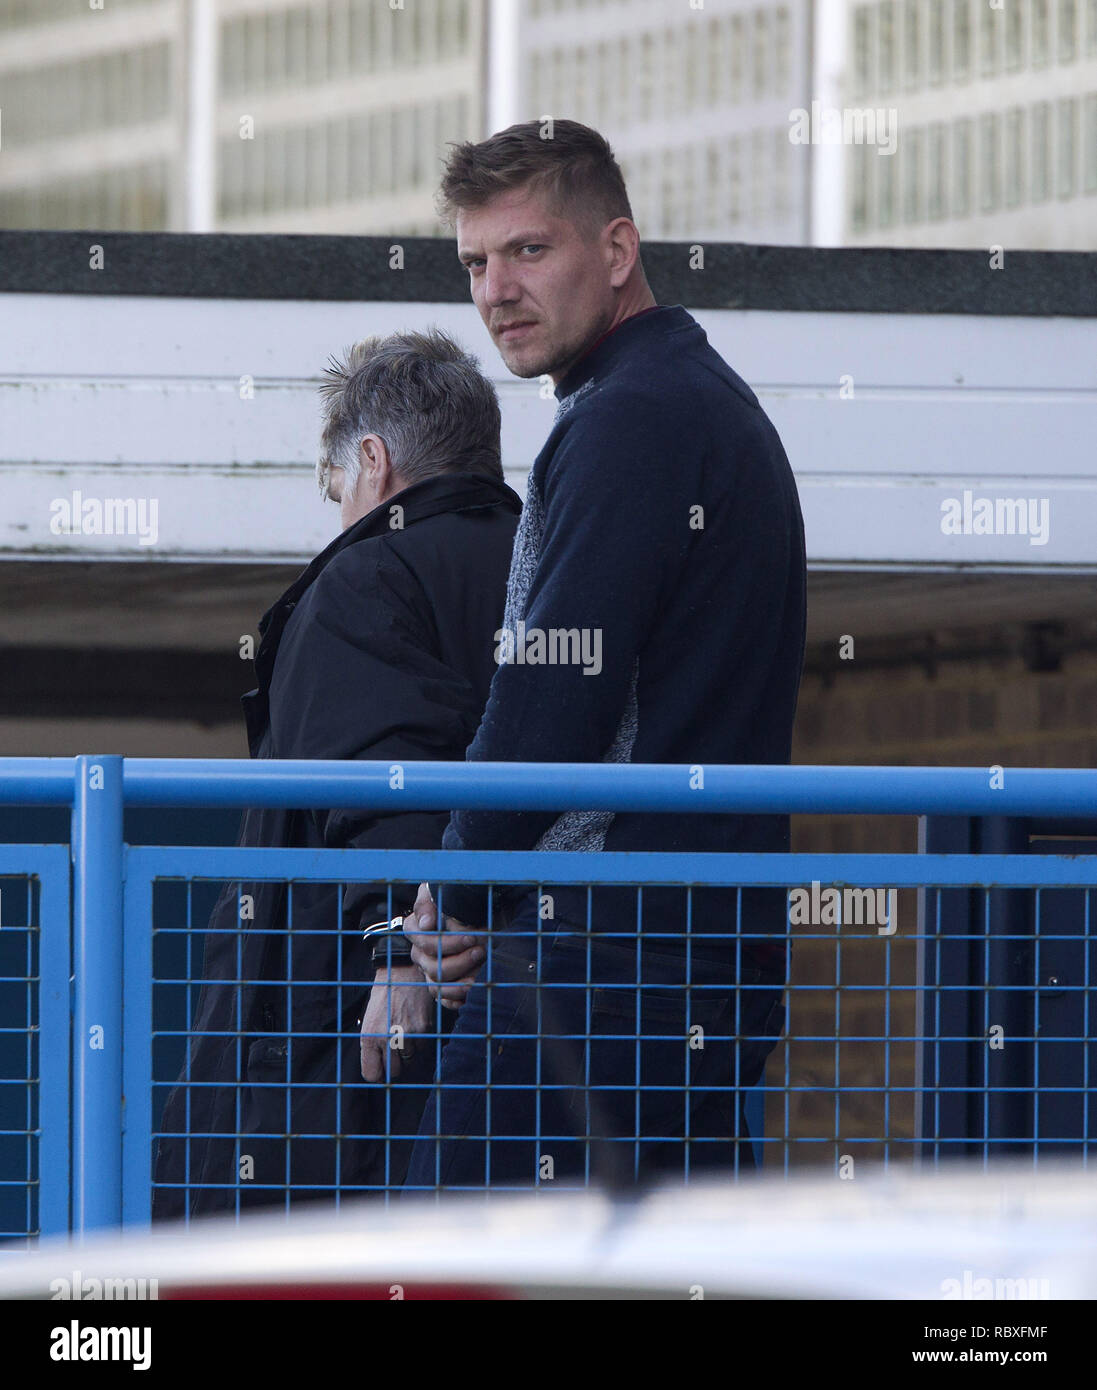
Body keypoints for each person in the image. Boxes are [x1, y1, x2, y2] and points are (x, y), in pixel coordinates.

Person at [399, 120, 806, 1191]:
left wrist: (448, 897)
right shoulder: (692, 399)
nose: (495, 291)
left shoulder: (630, 417)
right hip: (691, 958)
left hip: (611, 962)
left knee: (452, 1261)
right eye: (474, 263)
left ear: (616, 251)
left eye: (529, 251)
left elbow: (549, 700)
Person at [152, 329, 520, 1218]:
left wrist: (397, 950)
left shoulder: (366, 580)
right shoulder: (548, 572)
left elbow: (384, 777)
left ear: (373, 459)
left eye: (337, 489)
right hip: (528, 1023)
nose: (340, 514)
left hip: (334, 1051)